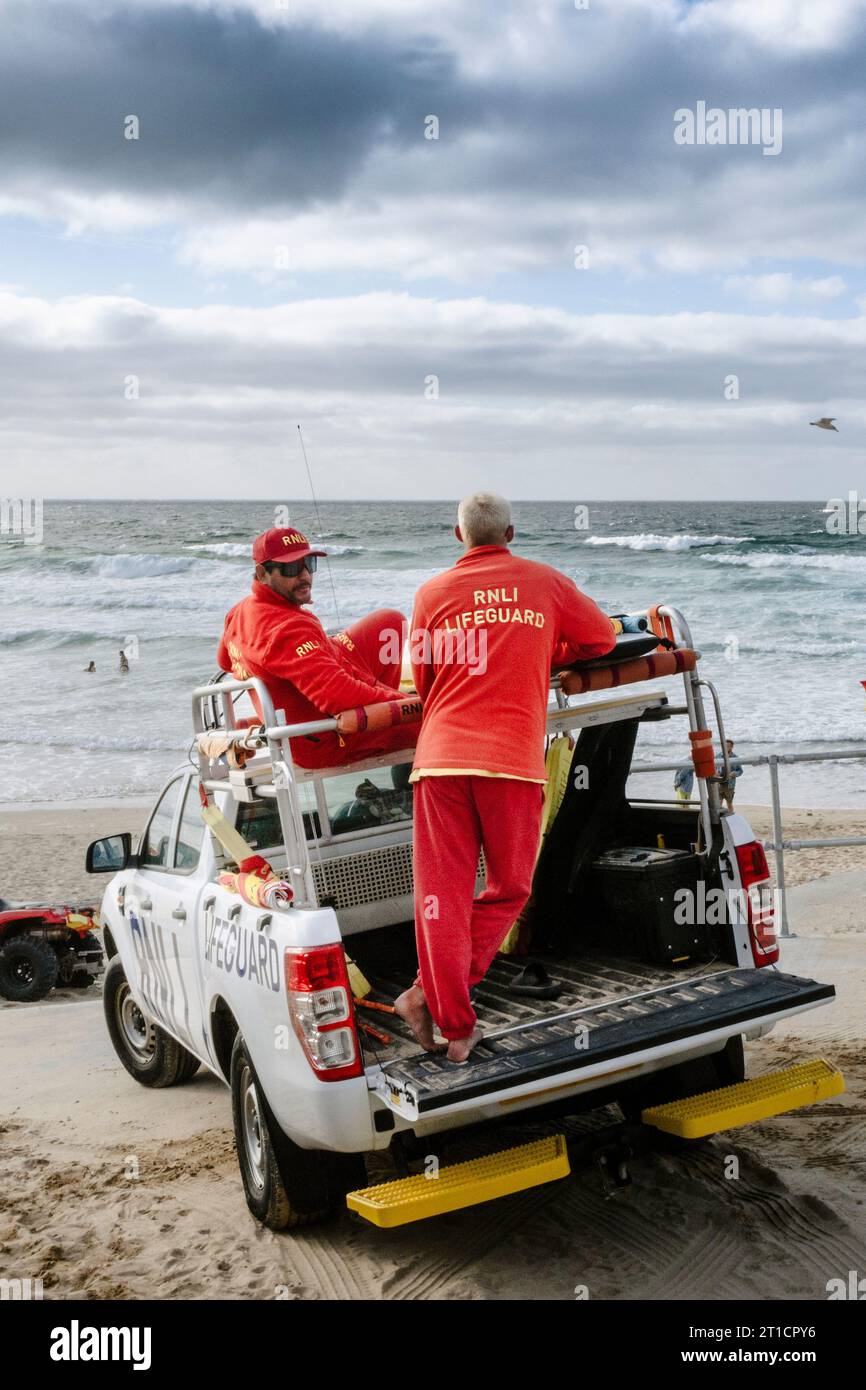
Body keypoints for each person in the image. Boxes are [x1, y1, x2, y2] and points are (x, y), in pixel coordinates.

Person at [395, 493, 616, 1063]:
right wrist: (543, 647)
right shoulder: (545, 582)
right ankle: (442, 1007)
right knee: (512, 888)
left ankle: (443, 1012)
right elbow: (602, 641)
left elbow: (420, 679)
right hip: (509, 763)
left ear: (458, 535)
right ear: (512, 533)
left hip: (439, 759)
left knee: (440, 899)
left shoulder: (431, 593)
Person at [217, 527, 419, 770]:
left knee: (390, 623)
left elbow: (225, 662)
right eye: (292, 568)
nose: (304, 576)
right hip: (326, 737)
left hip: (309, 707)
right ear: (262, 573)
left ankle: (380, 700)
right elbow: (339, 696)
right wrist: (408, 705)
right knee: (434, 725)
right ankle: (386, 722)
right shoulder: (286, 628)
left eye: (309, 563)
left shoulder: (238, 613)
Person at [717, 738, 744, 811]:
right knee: (718, 804)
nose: (726, 747)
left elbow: (740, 771)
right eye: (725, 746)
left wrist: (735, 773)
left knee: (729, 804)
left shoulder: (735, 758)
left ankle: (731, 817)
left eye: (728, 746)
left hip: (729, 784)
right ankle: (719, 819)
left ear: (732, 747)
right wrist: (715, 773)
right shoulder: (717, 756)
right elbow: (713, 768)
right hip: (719, 783)